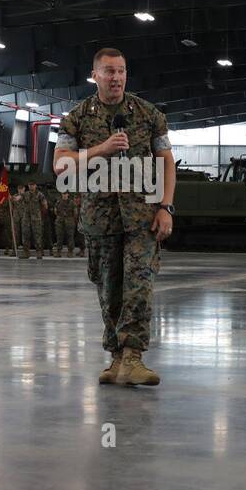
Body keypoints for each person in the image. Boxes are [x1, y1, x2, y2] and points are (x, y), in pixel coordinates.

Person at [54, 47, 176, 387]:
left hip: (142, 217)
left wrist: (166, 206)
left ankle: (133, 356)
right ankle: (116, 357)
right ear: (95, 76)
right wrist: (100, 149)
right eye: (109, 71)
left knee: (139, 286)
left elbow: (167, 161)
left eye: (121, 71)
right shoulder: (75, 118)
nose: (116, 77)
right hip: (100, 219)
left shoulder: (149, 114)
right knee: (108, 289)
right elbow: (60, 163)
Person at [21, 181, 47, 260]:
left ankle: (39, 252)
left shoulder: (40, 195)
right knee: (26, 235)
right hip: (26, 218)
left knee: (37, 235)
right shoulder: (25, 194)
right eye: (30, 185)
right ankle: (26, 252)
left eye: (32, 185)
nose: (31, 186)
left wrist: (40, 214)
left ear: (35, 185)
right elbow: (18, 198)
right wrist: (10, 197)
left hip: (36, 219)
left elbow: (45, 206)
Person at [53, 190, 77, 257]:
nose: (64, 195)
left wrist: (72, 219)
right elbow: (55, 211)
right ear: (61, 194)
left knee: (70, 236)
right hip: (60, 221)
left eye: (65, 194)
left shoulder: (72, 203)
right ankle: (58, 251)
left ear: (68, 194)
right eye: (63, 194)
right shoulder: (58, 202)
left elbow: (75, 212)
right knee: (59, 236)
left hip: (69, 221)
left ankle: (70, 251)